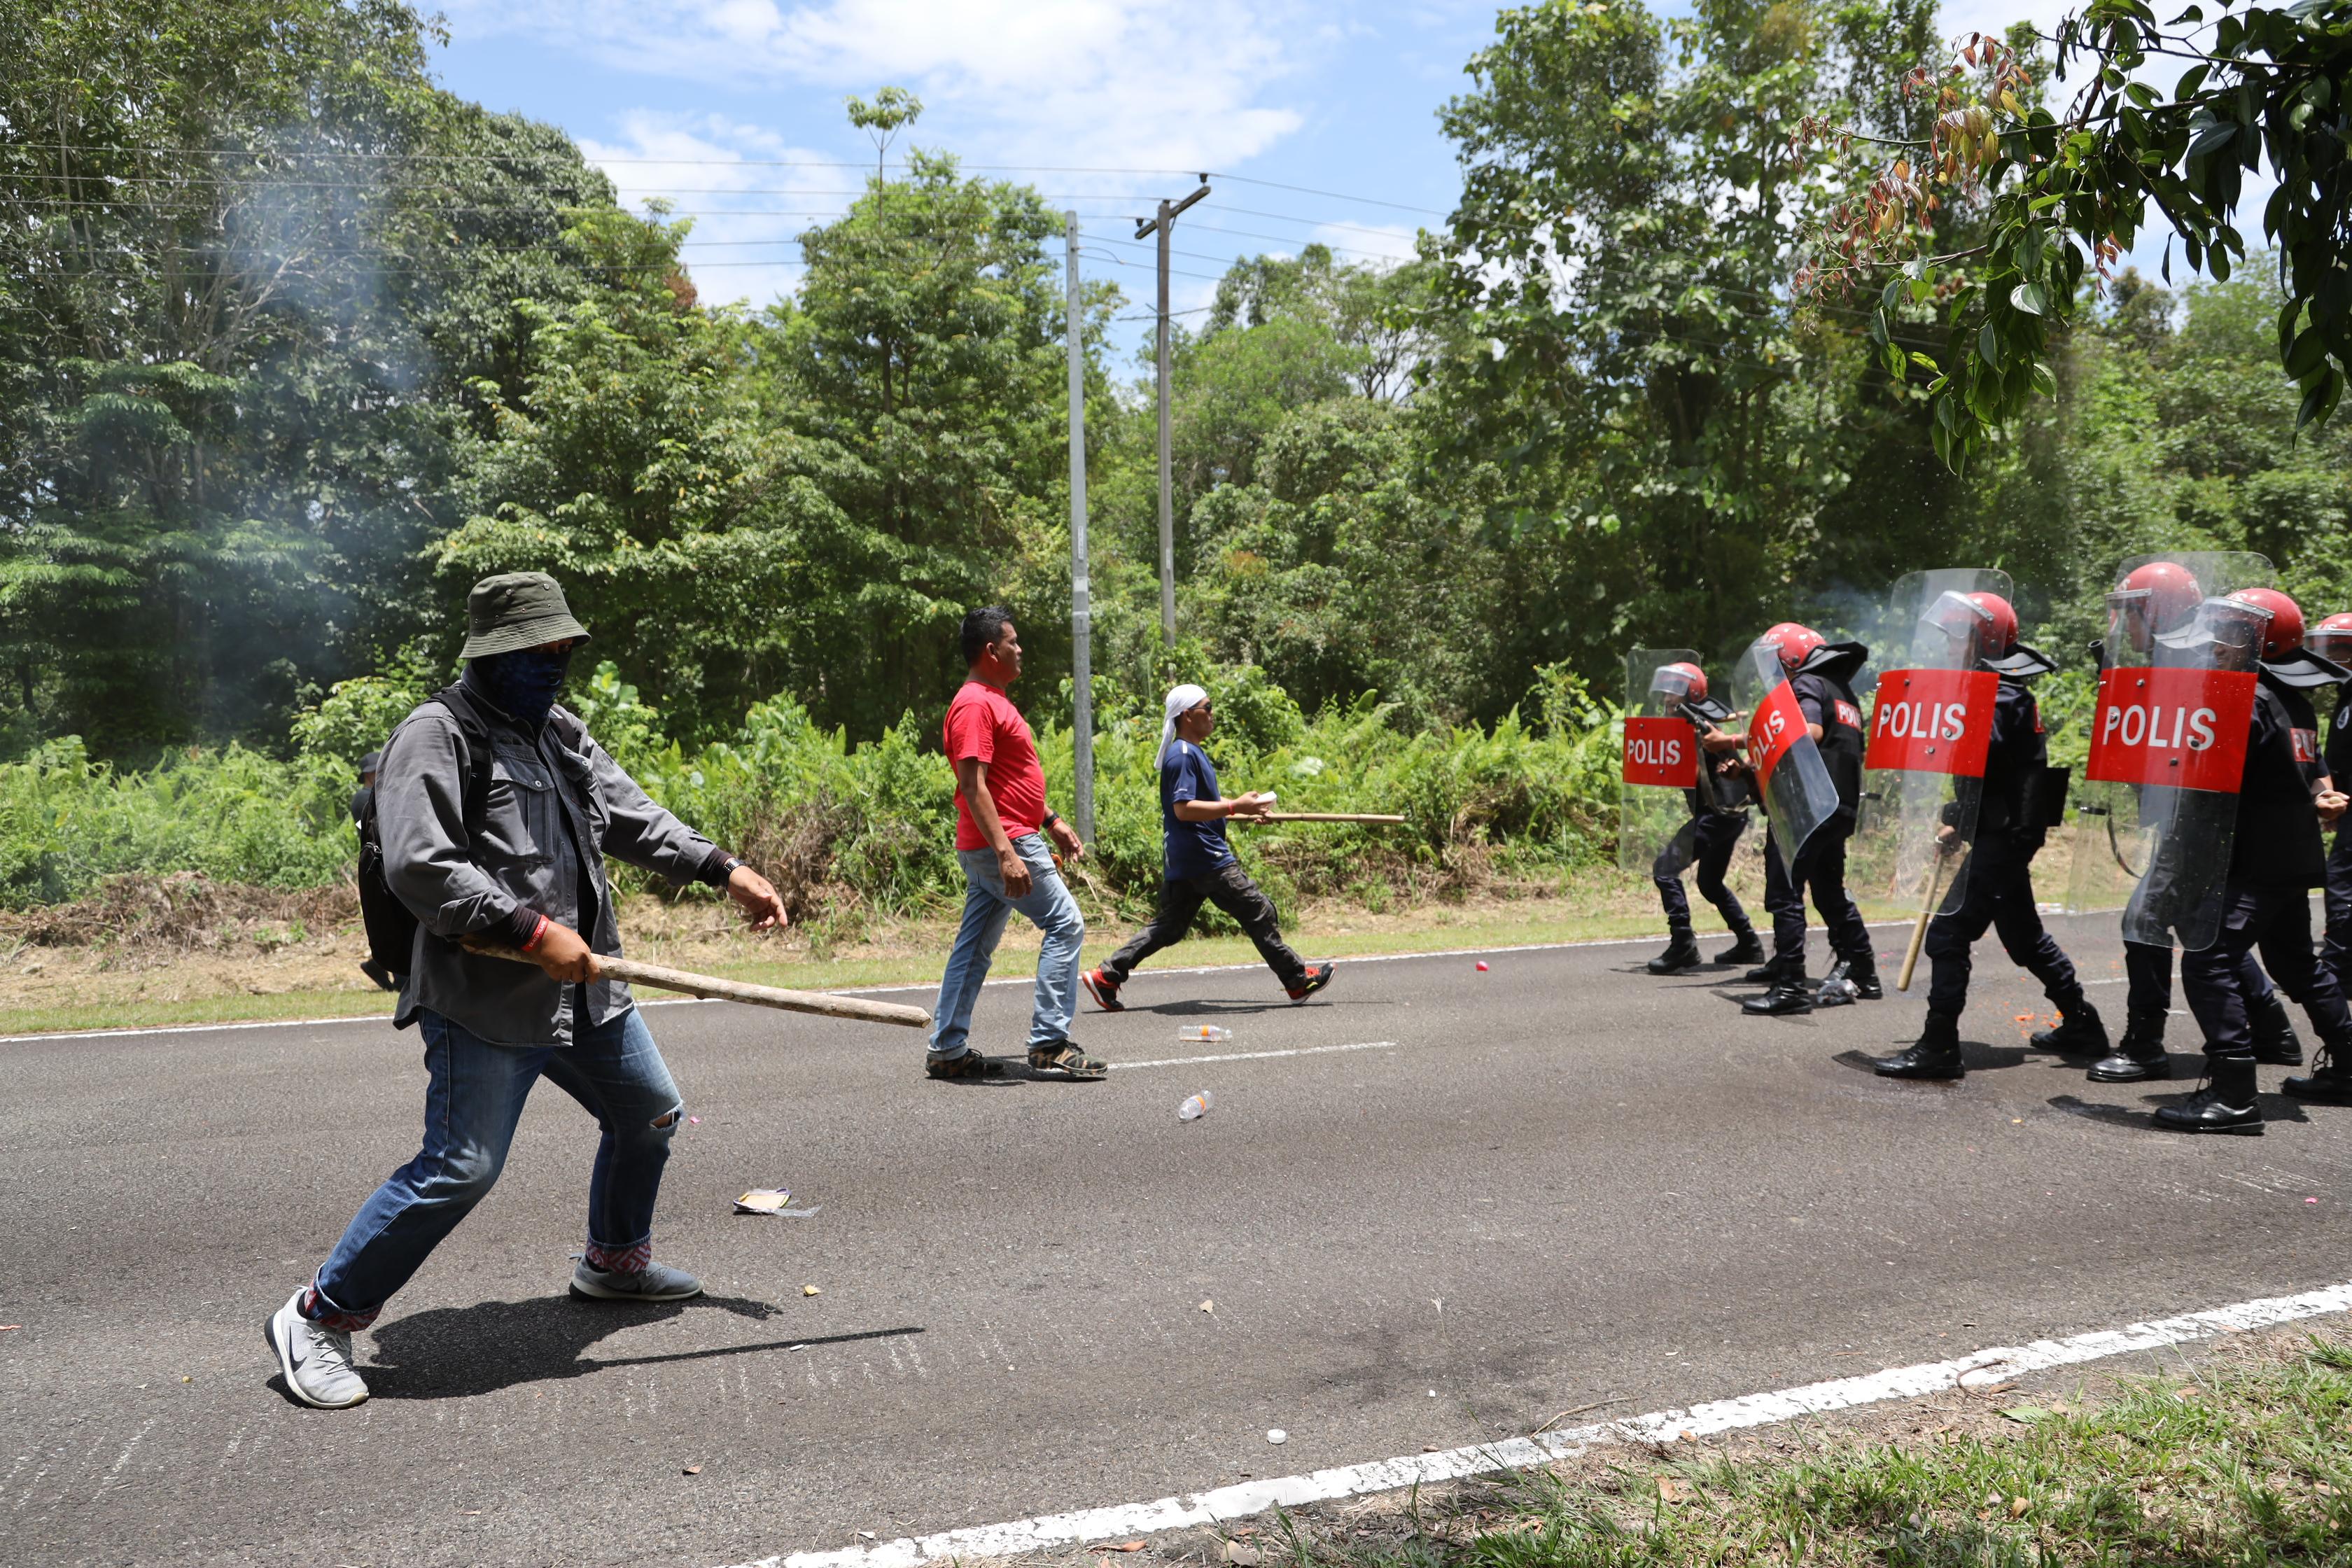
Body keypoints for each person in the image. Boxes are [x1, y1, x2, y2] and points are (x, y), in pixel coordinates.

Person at [265, 572, 788, 1410]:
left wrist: (722, 867)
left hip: (586, 989)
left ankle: (614, 1262)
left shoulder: (556, 730)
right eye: (537, 650)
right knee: (460, 1168)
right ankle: (318, 1314)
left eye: (564, 649)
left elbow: (628, 812)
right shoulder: (435, 736)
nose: (554, 662)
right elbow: (418, 864)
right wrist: (532, 931)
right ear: (491, 651)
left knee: (649, 1112)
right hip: (486, 996)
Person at [2081, 565, 2304, 1082]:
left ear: (2154, 610)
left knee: (2145, 922)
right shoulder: (2173, 655)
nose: (2124, 626)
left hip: (2205, 821)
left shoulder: (2189, 656)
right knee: (2194, 925)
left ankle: (2145, 1045)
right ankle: (2272, 1030)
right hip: (2197, 820)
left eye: (2132, 611)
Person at [1872, 594, 2104, 1078]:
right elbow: (1992, 777)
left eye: (1959, 634)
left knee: (1948, 933)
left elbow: (1984, 749)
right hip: (2001, 831)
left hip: (2008, 835)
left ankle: (1939, 1047)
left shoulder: (1998, 694)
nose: (1950, 644)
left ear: (1985, 640)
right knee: (2025, 938)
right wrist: (1960, 818)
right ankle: (2084, 1024)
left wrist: (1941, 713)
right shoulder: (1985, 690)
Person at [2158, 589, 2351, 1133]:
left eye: (2232, 633)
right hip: (2289, 855)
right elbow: (2310, 768)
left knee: (2208, 958)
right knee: (2295, 964)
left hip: (2257, 856)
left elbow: (2210, 776)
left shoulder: (2245, 699)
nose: (2217, 645)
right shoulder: (2290, 697)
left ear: (2263, 642)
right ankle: (2350, 1068)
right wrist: (2320, 795)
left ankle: (2234, 1094)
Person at [925, 606, 1100, 1082]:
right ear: (990, 650)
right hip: (1003, 843)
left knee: (976, 946)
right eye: (1013, 642)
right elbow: (973, 784)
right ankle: (1049, 1043)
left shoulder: (993, 700)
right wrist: (1008, 853)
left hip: (1006, 836)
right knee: (1065, 924)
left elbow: (1007, 781)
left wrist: (1052, 820)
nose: (1020, 650)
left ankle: (947, 1048)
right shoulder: (976, 704)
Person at [1082, 685, 1335, 1009]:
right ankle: (1297, 980)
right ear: (1188, 715)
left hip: (1187, 856)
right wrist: (1234, 807)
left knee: (1169, 927)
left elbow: (1199, 810)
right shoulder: (1183, 754)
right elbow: (1183, 809)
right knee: (1257, 909)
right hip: (1205, 856)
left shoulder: (1190, 753)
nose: (1213, 714)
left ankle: (1108, 975)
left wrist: (1245, 810)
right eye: (1207, 707)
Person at [1736, 623, 1881, 1016]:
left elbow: (1810, 732)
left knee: (1786, 894)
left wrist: (1740, 742)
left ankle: (1790, 987)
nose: (1776, 673)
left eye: (1777, 663)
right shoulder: (1843, 692)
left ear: (1792, 659)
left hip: (1808, 808)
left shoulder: (1807, 685)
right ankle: (1865, 972)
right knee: (1829, 891)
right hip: (1839, 806)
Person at [1639, 662, 1763, 975]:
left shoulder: (1703, 726)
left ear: (1690, 695)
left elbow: (1712, 768)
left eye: (1673, 695)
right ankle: (1749, 943)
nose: (1667, 701)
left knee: (1664, 869)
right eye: (1665, 695)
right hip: (1726, 815)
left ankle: (1683, 944)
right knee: (1709, 882)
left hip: (1719, 813)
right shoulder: (1684, 726)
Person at [2311, 610, 2352, 1002]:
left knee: (2344, 888)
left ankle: (2341, 969)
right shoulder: (2347, 695)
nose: (2328, 660)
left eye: (2337, 651)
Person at [350, 750, 398, 992]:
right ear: (371, 773)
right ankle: (398, 975)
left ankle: (381, 966)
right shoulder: (363, 798)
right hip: (379, 868)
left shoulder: (375, 794)